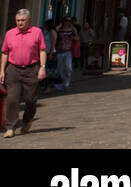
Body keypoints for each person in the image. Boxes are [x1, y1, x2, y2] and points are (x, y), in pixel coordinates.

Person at [1, 9, 48, 137]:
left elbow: (42, 50)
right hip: (13, 69)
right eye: (17, 20)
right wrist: (2, 71)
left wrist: (42, 67)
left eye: (22, 20)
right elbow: (5, 53)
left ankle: (27, 120)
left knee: (30, 100)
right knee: (12, 99)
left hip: (31, 69)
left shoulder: (37, 32)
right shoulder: (9, 34)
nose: (20, 23)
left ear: (29, 21)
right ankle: (10, 127)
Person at [53, 17, 77, 91]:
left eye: (69, 21)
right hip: (59, 51)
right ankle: (63, 83)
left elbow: (77, 38)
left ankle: (67, 83)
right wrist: (60, 25)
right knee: (60, 69)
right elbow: (54, 31)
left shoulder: (72, 29)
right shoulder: (59, 29)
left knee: (68, 68)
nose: (67, 22)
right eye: (66, 20)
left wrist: (72, 36)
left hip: (68, 51)